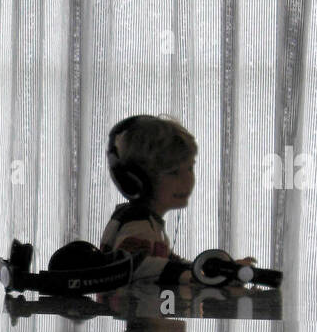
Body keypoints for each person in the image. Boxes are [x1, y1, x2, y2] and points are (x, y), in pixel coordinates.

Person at [100, 113, 255, 285]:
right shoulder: (137, 223)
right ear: (137, 180)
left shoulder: (147, 222)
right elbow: (134, 266)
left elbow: (170, 263)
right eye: (173, 173)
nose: (187, 180)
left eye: (189, 168)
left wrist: (217, 271)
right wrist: (195, 277)